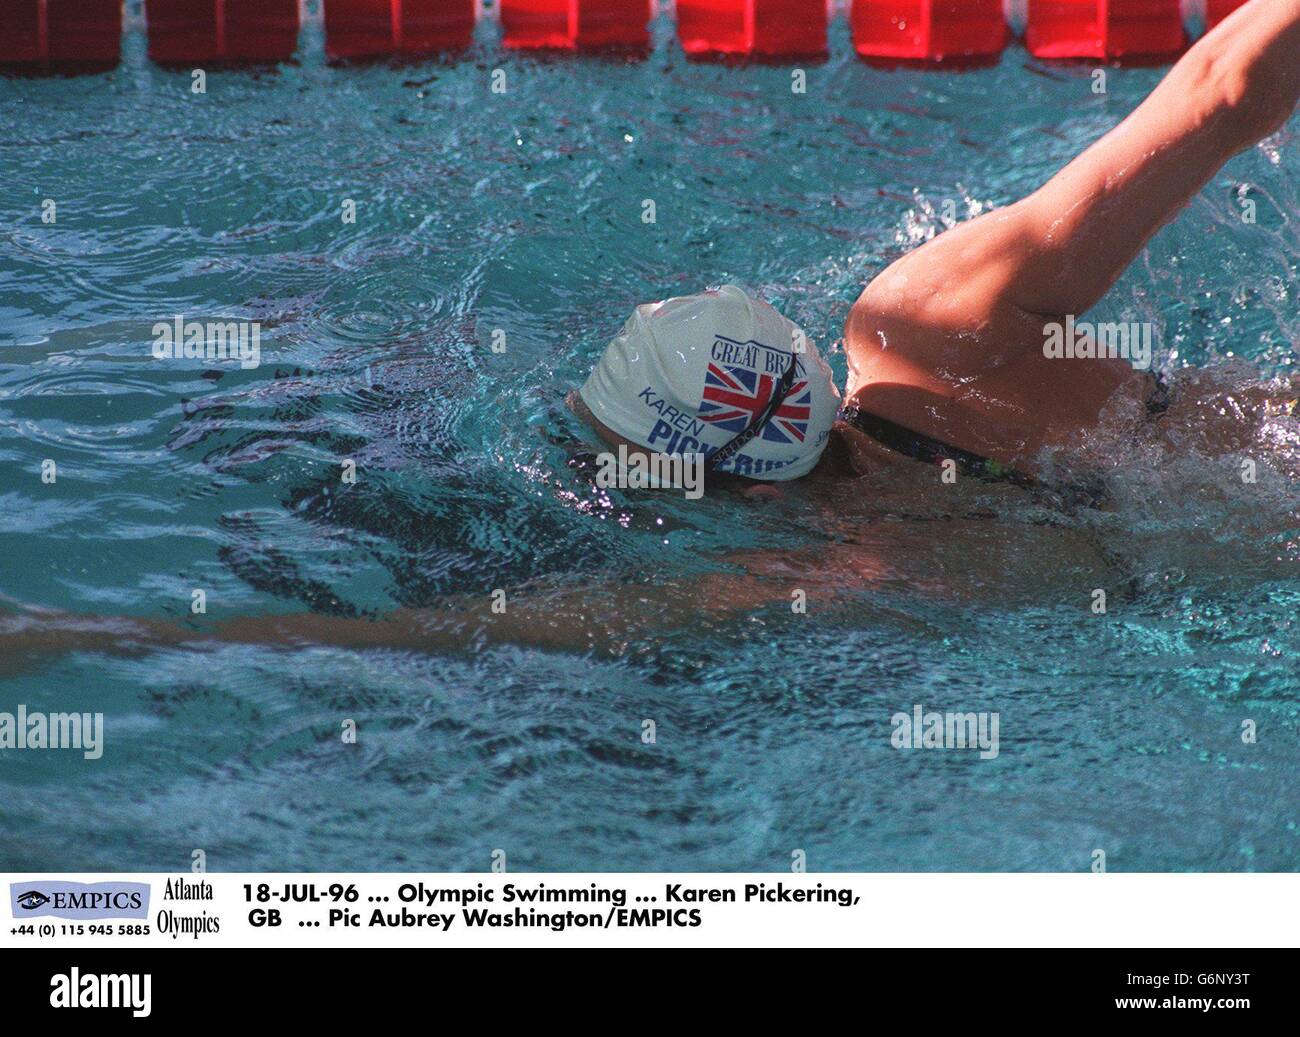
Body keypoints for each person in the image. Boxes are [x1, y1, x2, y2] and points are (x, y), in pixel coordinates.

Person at [2, 0, 1297, 664]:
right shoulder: (927, 322)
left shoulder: (861, 576)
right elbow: (1221, 88)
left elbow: (482, 635)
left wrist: (112, 635)